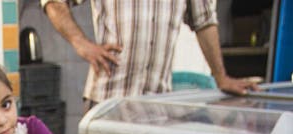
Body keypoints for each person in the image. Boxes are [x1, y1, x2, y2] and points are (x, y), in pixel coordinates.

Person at [40, 0, 259, 106]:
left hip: (157, 106)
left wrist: (221, 77)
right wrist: (81, 43)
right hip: (107, 101)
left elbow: (205, 21)